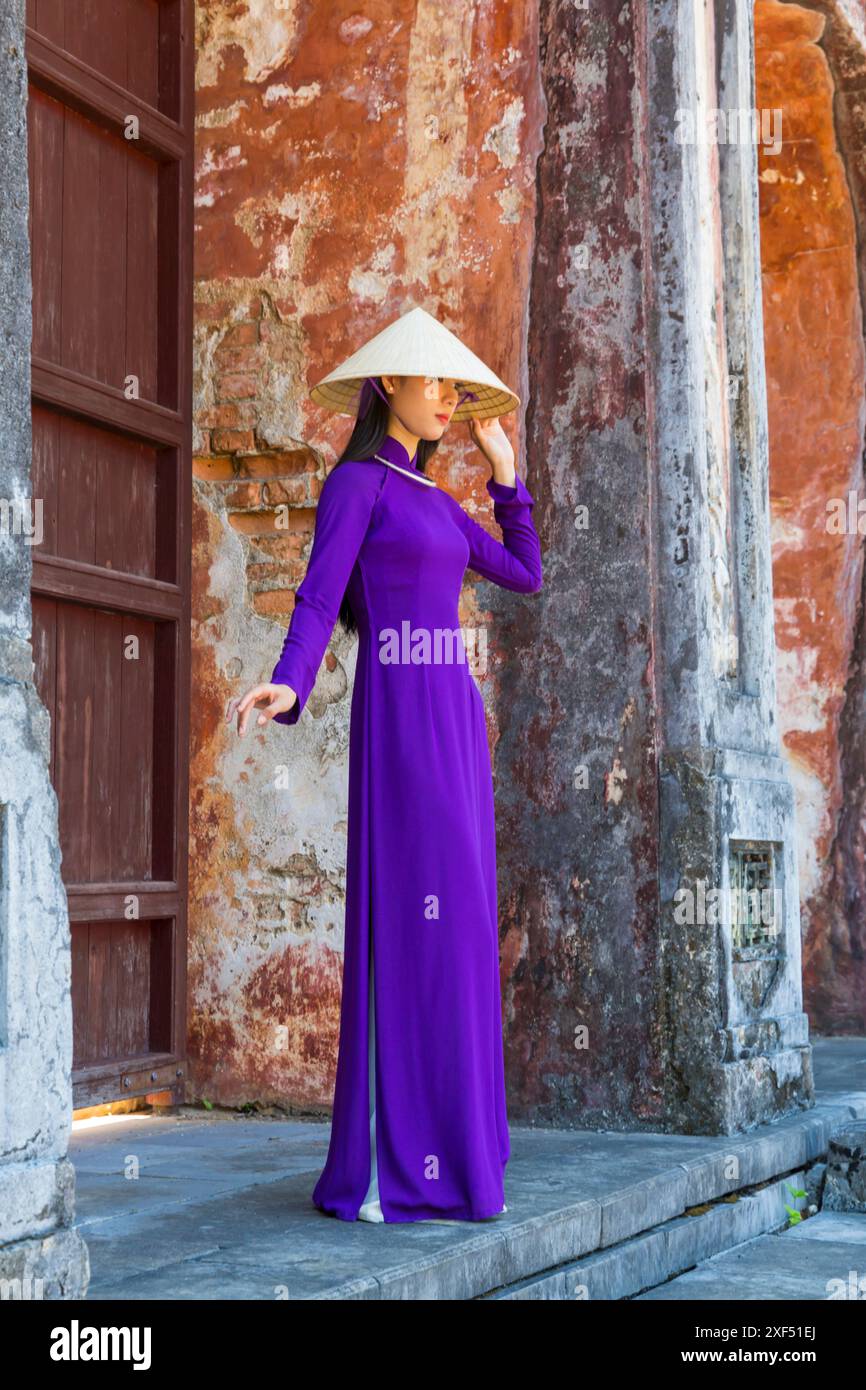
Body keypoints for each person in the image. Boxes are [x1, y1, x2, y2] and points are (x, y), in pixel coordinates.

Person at [228, 306, 542, 1223]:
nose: (447, 396)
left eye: (455, 384)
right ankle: (390, 1162)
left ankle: (464, 1149)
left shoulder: (442, 504)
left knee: (461, 926)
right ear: (387, 388)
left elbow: (523, 571)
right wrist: (290, 682)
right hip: (400, 722)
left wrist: (506, 477)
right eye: (432, 380)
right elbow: (319, 597)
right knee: (416, 924)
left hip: (453, 718)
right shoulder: (356, 486)